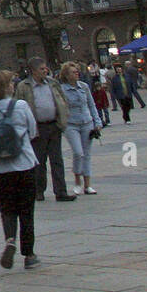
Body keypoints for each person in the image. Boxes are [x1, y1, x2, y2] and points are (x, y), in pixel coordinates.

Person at [0, 70, 41, 269]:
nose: (13, 85)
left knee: (6, 208)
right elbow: (32, 131)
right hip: (24, 163)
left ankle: (10, 240)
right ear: (6, 87)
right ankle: (29, 254)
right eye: (11, 83)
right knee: (26, 209)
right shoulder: (20, 105)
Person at [15, 58, 74, 203]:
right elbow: (17, 106)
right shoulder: (24, 86)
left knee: (57, 160)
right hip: (37, 128)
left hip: (54, 125)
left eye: (45, 68)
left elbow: (63, 99)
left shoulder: (52, 83)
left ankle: (61, 191)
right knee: (39, 161)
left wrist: (63, 117)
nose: (45, 71)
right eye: (41, 69)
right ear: (33, 71)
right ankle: (38, 191)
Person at [58, 62, 99, 197]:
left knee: (86, 154)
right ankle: (77, 181)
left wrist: (97, 121)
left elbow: (91, 104)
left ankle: (87, 184)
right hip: (71, 124)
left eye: (77, 72)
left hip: (86, 122)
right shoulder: (62, 89)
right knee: (78, 152)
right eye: (72, 72)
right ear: (66, 75)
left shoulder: (84, 87)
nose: (76, 74)